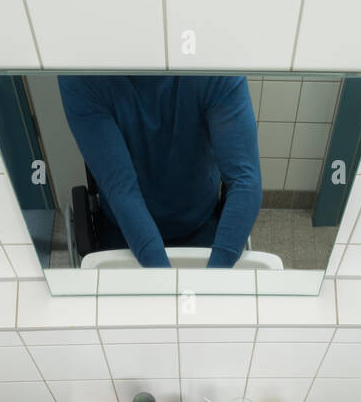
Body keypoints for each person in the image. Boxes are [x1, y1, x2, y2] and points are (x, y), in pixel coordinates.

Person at [58, 74, 262, 268]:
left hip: (200, 225)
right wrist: (165, 283)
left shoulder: (212, 64)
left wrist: (212, 279)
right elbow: (121, 188)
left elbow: (245, 181)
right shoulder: (82, 73)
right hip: (125, 231)